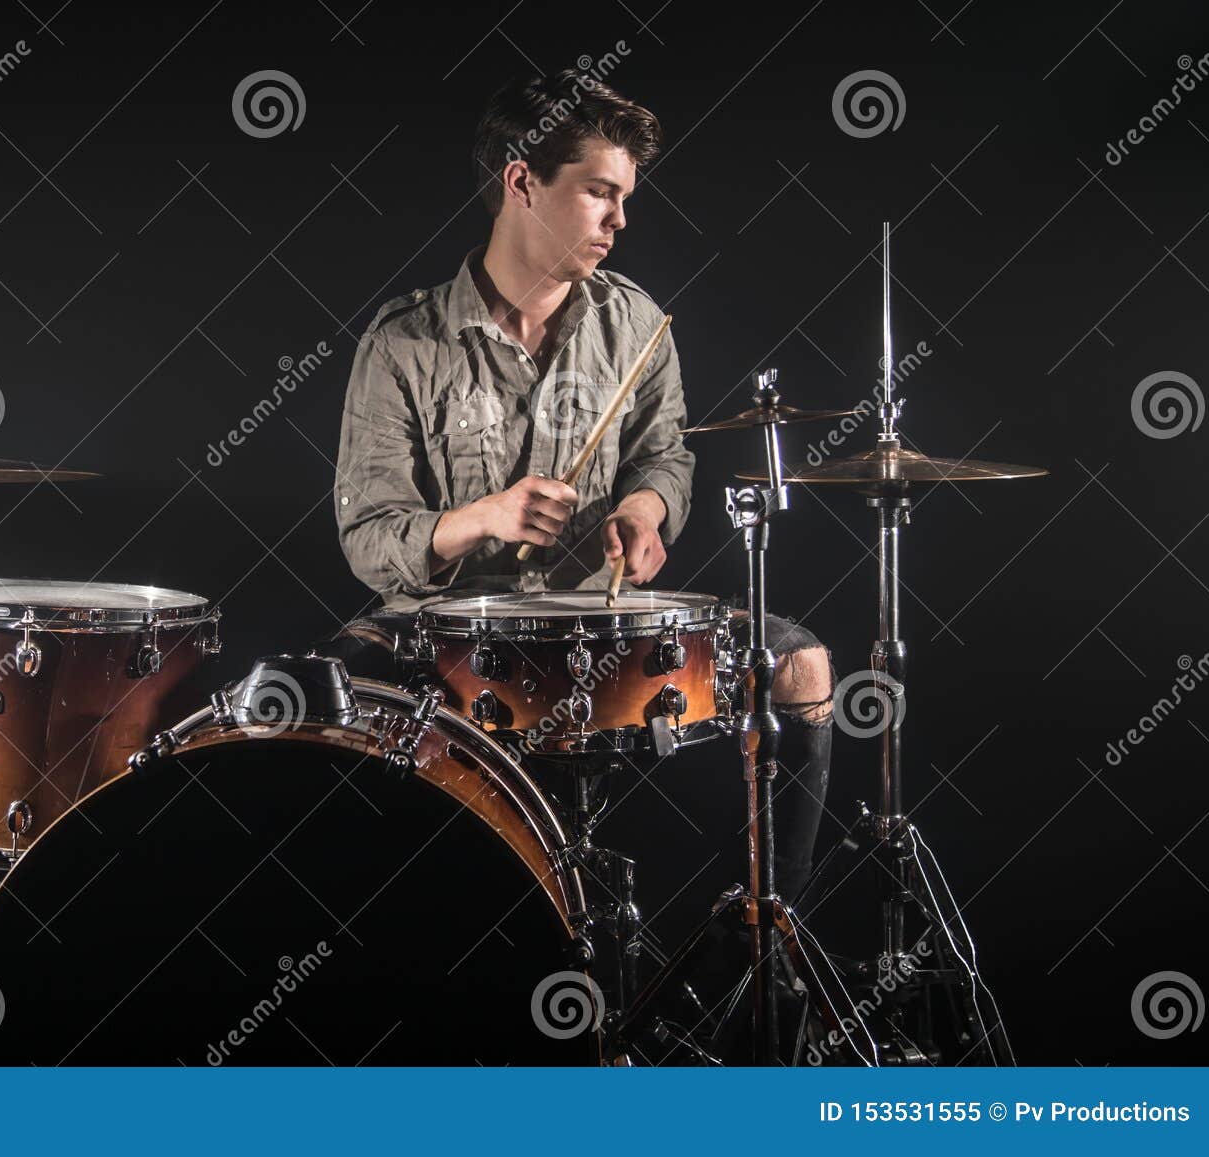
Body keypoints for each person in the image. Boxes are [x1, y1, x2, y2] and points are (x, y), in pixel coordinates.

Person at [324, 70, 833, 899]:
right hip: (445, 630)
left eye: (625, 196)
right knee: (330, 702)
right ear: (521, 181)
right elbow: (370, 539)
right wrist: (483, 516)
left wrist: (645, 507)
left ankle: (769, 945)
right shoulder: (404, 343)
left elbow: (666, 454)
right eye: (600, 193)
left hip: (602, 622)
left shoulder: (637, 323)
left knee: (802, 664)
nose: (620, 220)